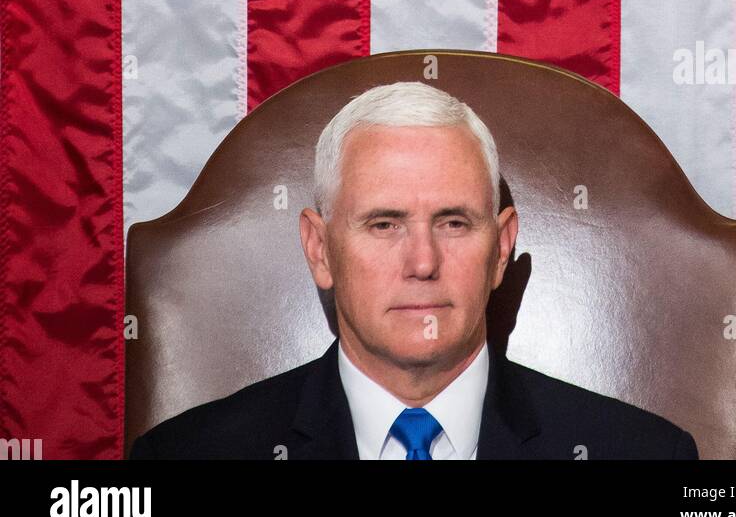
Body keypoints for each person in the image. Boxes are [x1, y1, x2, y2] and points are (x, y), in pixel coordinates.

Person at [128, 80, 699, 460]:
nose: (423, 263)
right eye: (384, 224)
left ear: (501, 249)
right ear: (320, 249)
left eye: (453, 223)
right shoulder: (189, 456)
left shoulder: (641, 453)